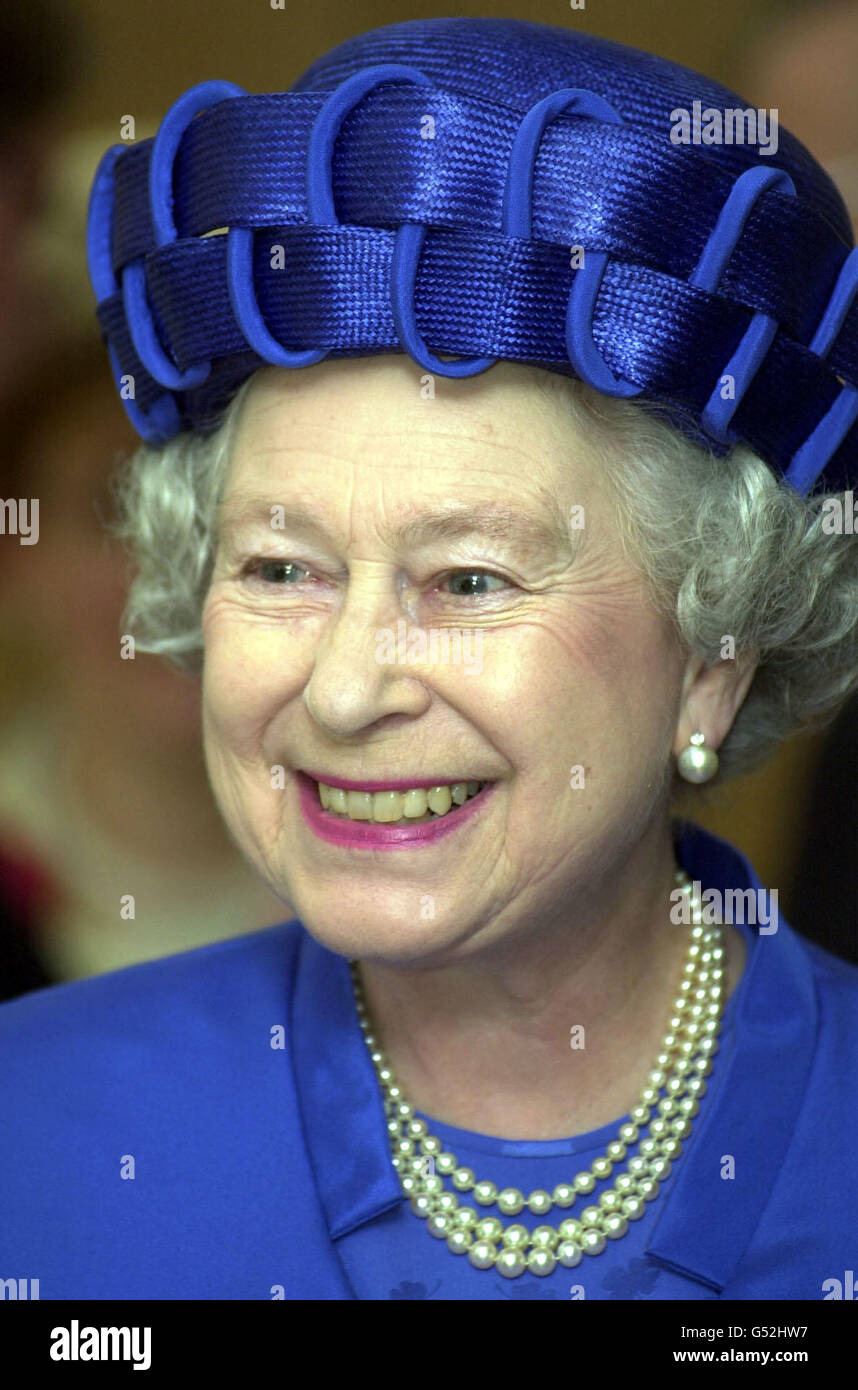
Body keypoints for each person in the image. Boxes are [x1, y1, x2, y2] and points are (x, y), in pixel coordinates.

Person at [1, 16, 857, 1301]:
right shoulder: (37, 1127)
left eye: (467, 581)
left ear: (715, 652)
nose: (344, 691)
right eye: (281, 569)